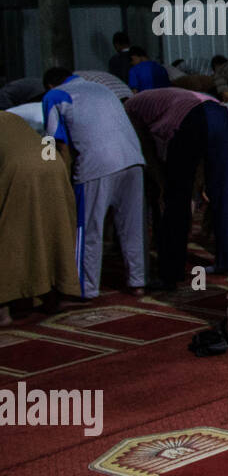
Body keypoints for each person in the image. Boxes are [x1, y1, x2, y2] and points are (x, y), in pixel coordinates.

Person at [42, 69, 147, 299]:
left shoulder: (53, 96)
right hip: (133, 158)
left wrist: (54, 177)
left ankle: (85, 288)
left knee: (88, 229)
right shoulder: (102, 88)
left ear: (50, 85)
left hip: (96, 165)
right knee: (132, 227)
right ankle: (137, 281)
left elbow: (55, 143)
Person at [124, 87, 228, 288]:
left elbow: (147, 150)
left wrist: (162, 184)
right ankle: (226, 261)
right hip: (220, 113)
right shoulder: (155, 97)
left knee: (177, 200)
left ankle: (171, 273)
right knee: (222, 192)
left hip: (190, 118)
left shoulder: (129, 108)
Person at [0, 111, 81, 325]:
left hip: (20, 170)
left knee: (9, 236)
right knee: (50, 229)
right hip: (52, 163)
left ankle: (4, 309)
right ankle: (52, 297)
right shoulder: (13, 117)